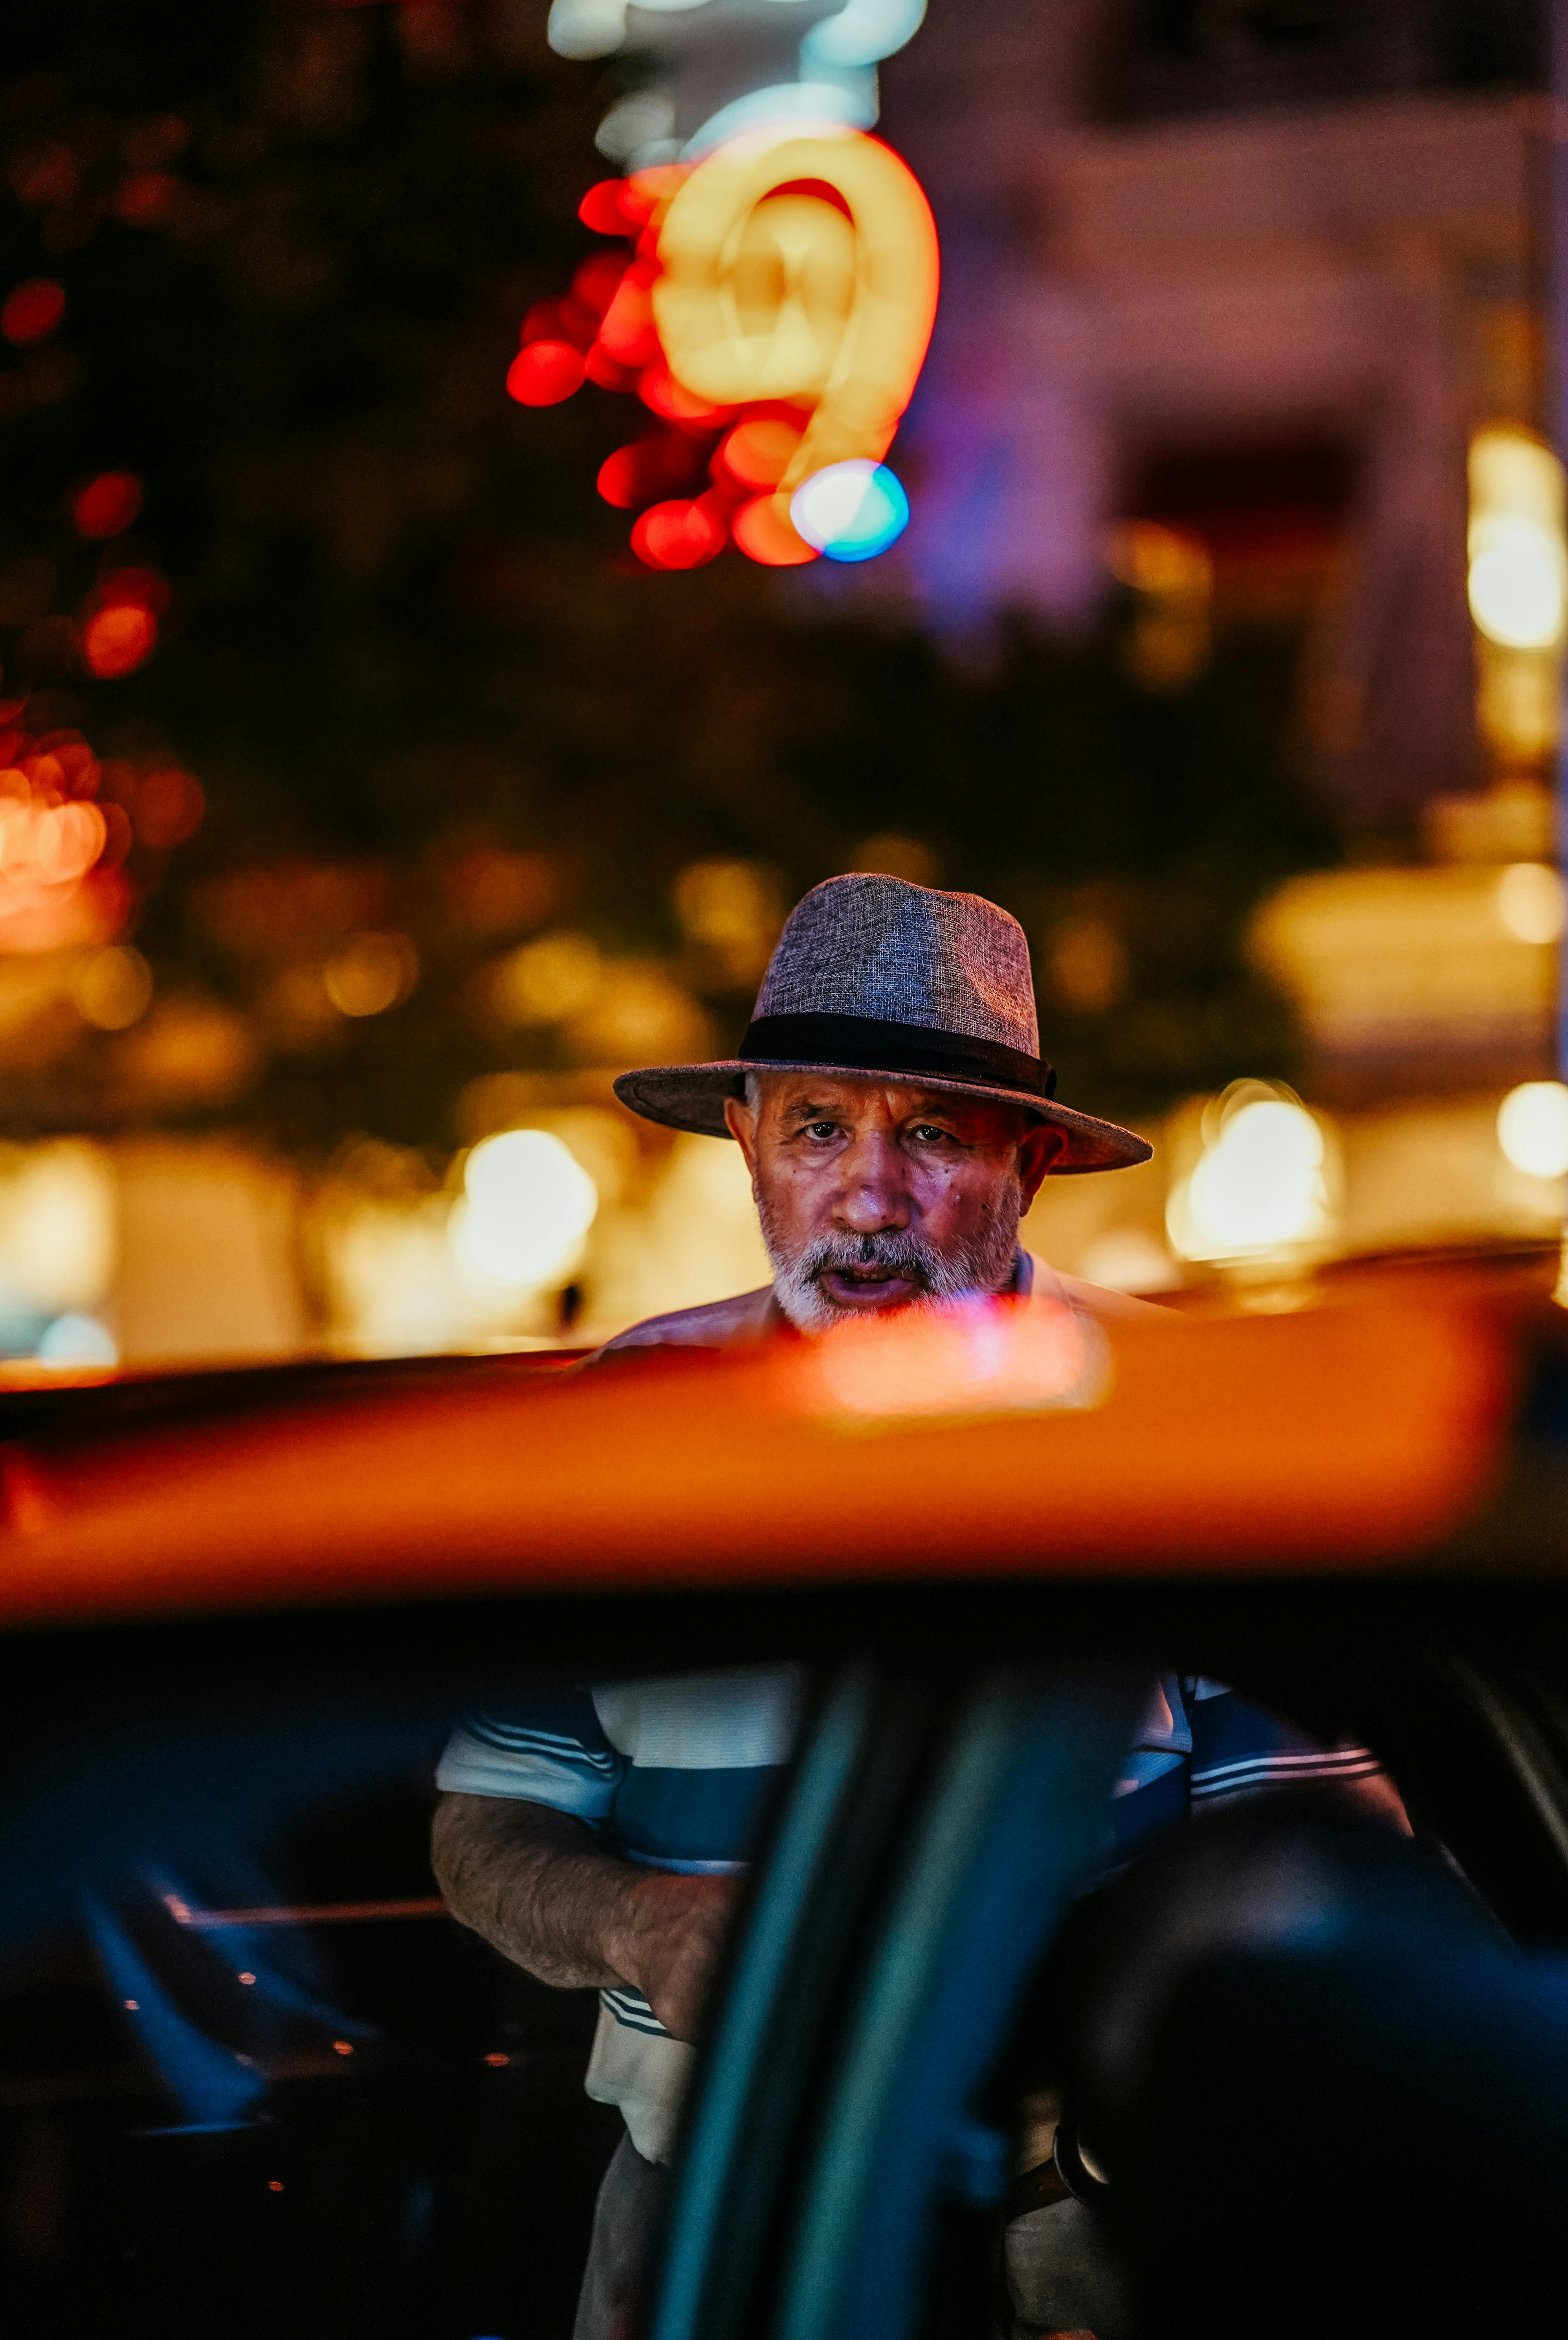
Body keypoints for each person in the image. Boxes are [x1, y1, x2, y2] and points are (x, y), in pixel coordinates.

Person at [429, 874, 1383, 2338]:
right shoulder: (621, 1423)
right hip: (701, 2229)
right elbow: (486, 1824)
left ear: (1033, 1160)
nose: (869, 1197)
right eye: (819, 1127)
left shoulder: (1180, 1427)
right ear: (746, 1140)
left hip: (1086, 2226)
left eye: (930, 1133)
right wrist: (636, 1925)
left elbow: (1315, 1881)